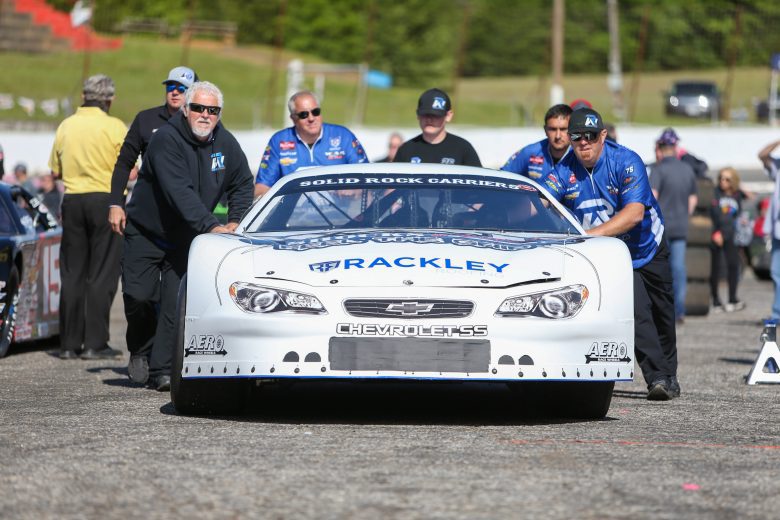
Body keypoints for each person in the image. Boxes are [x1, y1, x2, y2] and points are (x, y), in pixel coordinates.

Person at [123, 81, 253, 391]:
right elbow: (179, 193)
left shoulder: (226, 143)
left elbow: (243, 183)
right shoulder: (165, 139)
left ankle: (164, 370)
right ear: (185, 110)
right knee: (139, 297)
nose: (205, 115)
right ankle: (140, 348)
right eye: (198, 108)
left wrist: (235, 220)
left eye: (213, 110)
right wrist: (212, 226)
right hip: (147, 232)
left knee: (174, 306)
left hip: (186, 238)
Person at [547, 108, 679, 400]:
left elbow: (633, 214)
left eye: (590, 137)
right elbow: (540, 201)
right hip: (616, 256)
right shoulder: (564, 171)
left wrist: (587, 236)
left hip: (650, 245)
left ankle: (670, 374)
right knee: (638, 312)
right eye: (577, 137)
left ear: (603, 136)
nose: (584, 144)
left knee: (664, 313)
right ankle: (656, 378)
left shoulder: (626, 161)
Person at [47, 74, 127, 360]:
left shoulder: (66, 125)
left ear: (84, 96)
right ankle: (95, 343)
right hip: (106, 200)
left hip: (72, 198)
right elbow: (131, 170)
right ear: (109, 99)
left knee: (72, 273)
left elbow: (55, 170)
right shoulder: (115, 127)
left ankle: (69, 344)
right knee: (102, 273)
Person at [109, 66, 198, 235]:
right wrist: (115, 204)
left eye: (182, 88)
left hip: (188, 213)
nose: (175, 92)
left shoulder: (202, 123)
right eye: (170, 87)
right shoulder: (145, 119)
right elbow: (124, 163)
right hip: (148, 211)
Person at [254, 90, 367, 198]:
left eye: (315, 112)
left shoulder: (343, 136)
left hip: (340, 215)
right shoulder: (278, 140)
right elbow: (261, 188)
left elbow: (367, 178)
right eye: (304, 114)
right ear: (293, 118)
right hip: (292, 217)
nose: (311, 118)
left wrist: (353, 189)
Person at [649, 128, 698, 323]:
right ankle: (679, 310)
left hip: (661, 228)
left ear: (661, 148)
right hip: (681, 225)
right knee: (678, 268)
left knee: (660, 269)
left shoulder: (658, 170)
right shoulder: (687, 169)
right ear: (676, 147)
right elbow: (692, 200)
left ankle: (662, 310)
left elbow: (653, 197)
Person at [393, 88, 481, 166]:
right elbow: (391, 183)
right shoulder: (406, 150)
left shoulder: (463, 149)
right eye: (425, 114)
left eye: (436, 115)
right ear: (418, 115)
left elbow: (478, 182)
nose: (429, 119)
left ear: (448, 116)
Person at [710, 167, 748, 312]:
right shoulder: (715, 193)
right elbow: (712, 214)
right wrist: (715, 232)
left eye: (727, 179)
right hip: (717, 234)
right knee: (715, 268)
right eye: (721, 178)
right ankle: (715, 300)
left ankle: (732, 298)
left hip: (731, 235)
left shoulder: (737, 195)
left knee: (733, 266)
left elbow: (738, 214)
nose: (723, 181)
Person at [501, 104, 572, 180]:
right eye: (553, 129)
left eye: (563, 129)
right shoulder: (530, 152)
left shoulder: (579, 156)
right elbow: (502, 177)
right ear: (545, 130)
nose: (558, 136)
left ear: (572, 129)